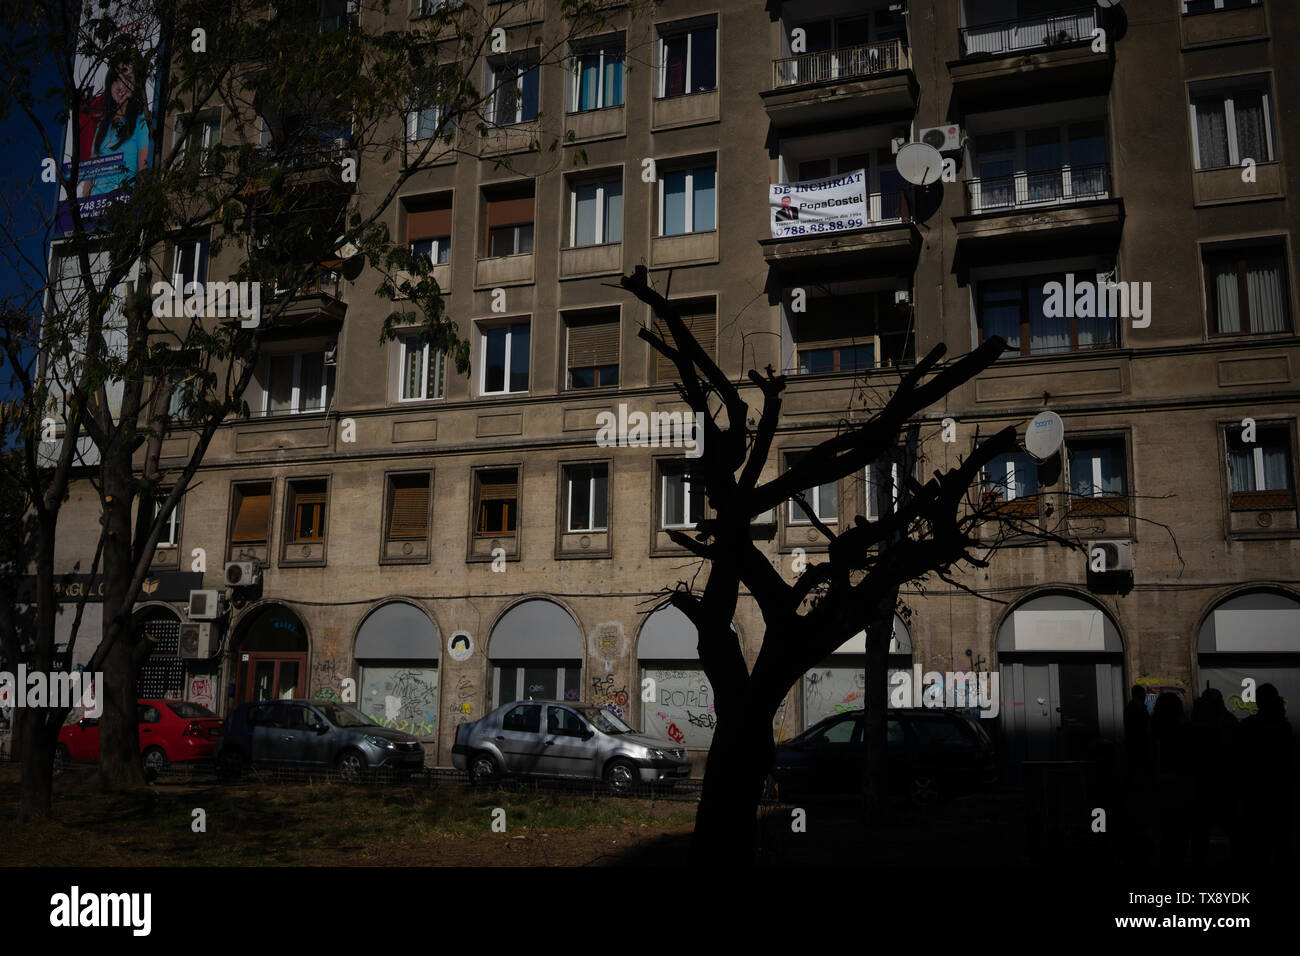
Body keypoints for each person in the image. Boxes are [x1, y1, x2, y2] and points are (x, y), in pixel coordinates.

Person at [79, 50, 150, 199]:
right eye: (116, 79)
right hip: (94, 211)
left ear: (136, 84)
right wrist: (82, 207)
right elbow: (90, 176)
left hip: (123, 206)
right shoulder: (102, 125)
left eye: (128, 79)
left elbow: (143, 171)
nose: (121, 87)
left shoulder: (140, 121)